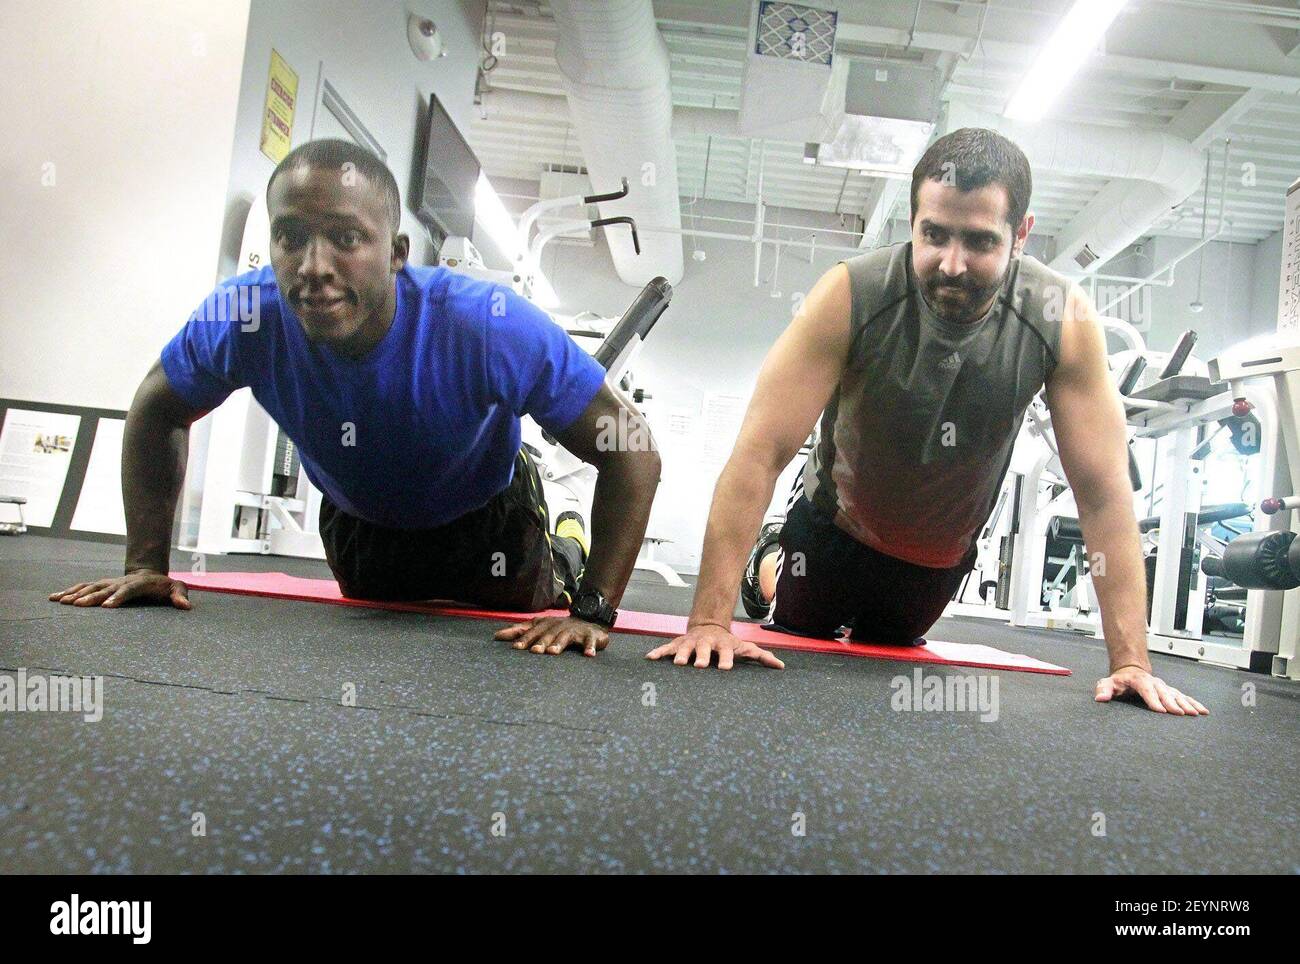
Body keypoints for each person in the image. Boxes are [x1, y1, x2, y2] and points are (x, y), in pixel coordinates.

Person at [649, 127, 1207, 716]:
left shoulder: (1059, 318)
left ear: (1021, 234)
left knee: (887, 642)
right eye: (933, 235)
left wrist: (1130, 663)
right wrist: (709, 621)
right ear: (911, 221)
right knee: (803, 622)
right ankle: (771, 555)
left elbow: (1102, 494)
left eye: (980, 241)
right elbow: (759, 453)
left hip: (937, 555)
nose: (953, 264)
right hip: (834, 528)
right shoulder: (851, 294)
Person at [50, 138, 661, 658]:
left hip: (491, 522)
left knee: (548, 588)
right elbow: (157, 411)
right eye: (291, 237)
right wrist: (146, 566)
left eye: (346, 238)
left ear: (397, 255)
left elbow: (632, 449)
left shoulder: (486, 325)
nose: (313, 266)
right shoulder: (244, 316)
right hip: (361, 526)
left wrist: (595, 611)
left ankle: (569, 531)